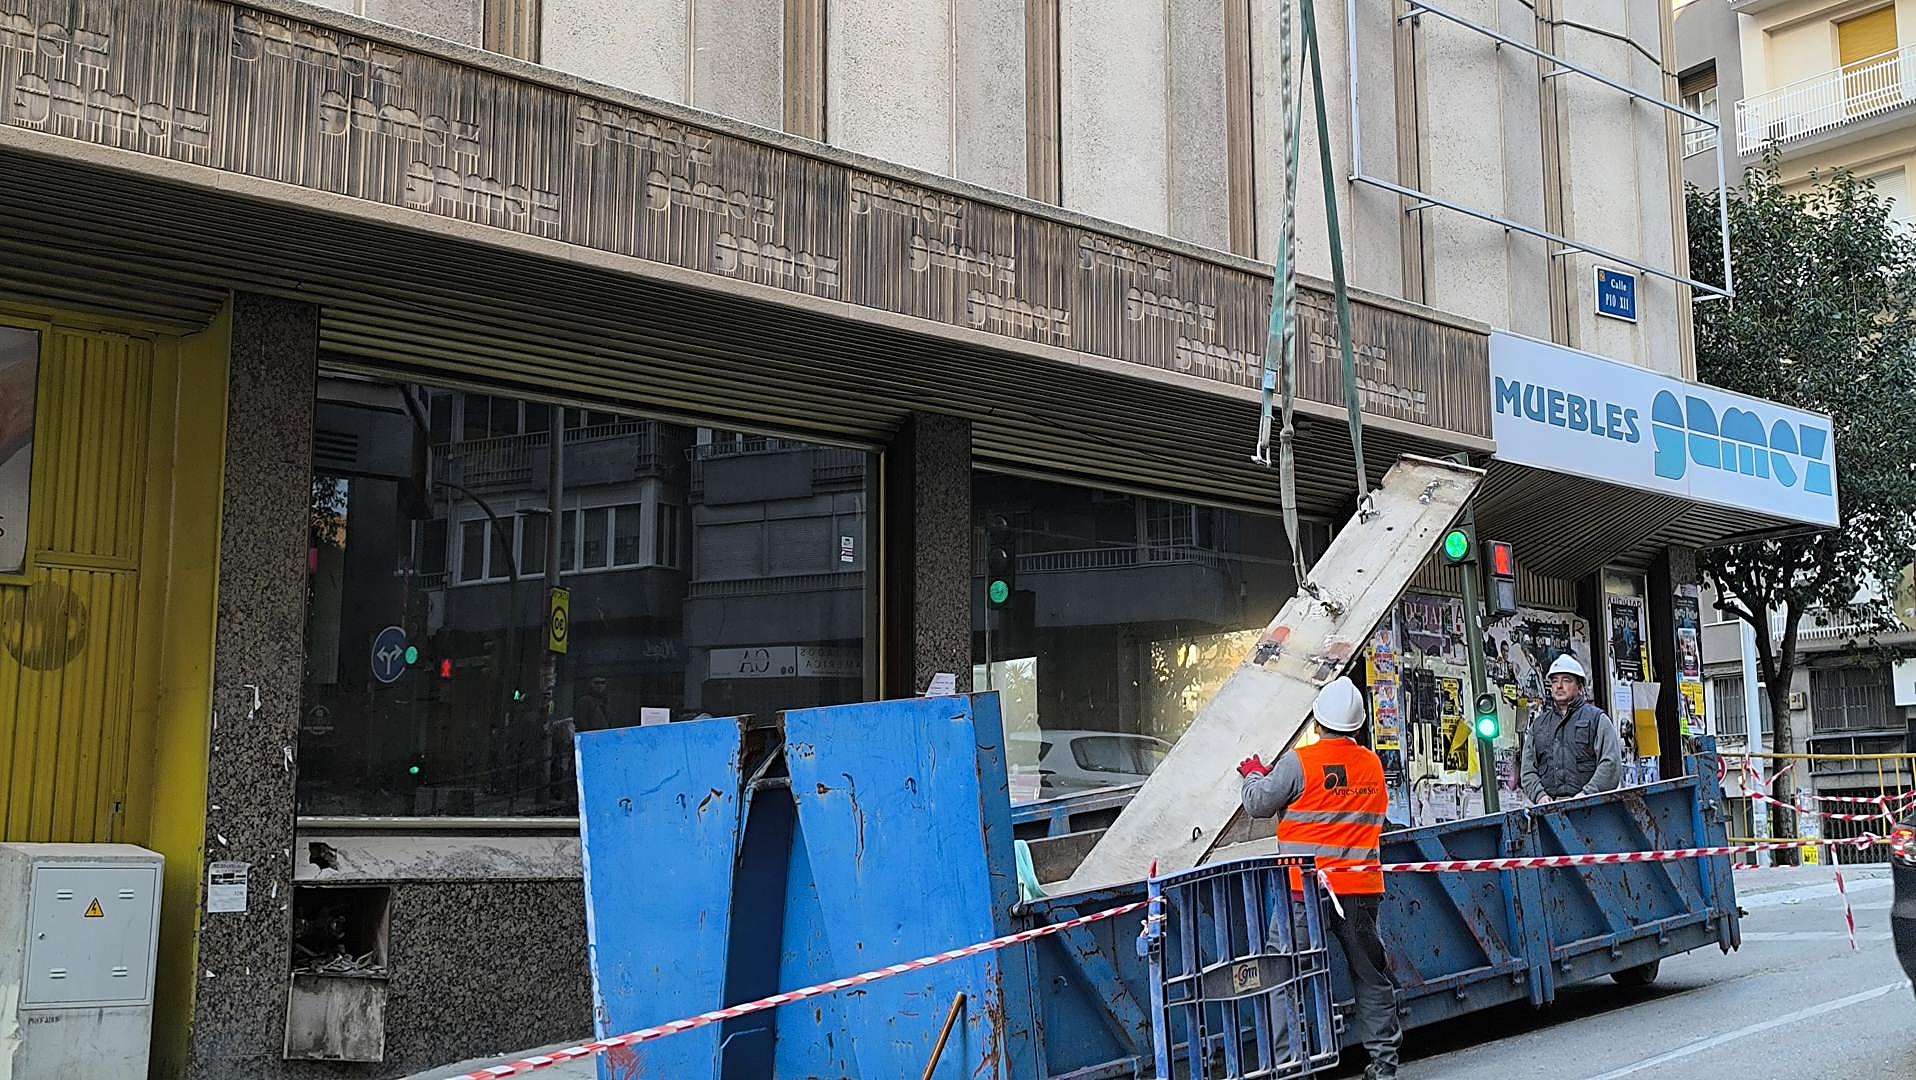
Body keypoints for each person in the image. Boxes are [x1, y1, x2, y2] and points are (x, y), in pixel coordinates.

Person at [1238, 677, 1402, 1080]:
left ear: (1316, 721)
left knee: (1284, 977)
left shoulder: (1300, 762)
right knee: (1370, 978)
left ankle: (1295, 1067)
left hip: (1304, 894)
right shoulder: (1372, 763)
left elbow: (1258, 803)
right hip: (1360, 892)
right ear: (1360, 727)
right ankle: (1384, 1067)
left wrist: (1254, 774)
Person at [1519, 654, 1623, 804]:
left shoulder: (1597, 719)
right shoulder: (1539, 725)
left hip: (1592, 810)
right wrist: (1540, 796)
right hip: (1550, 814)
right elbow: (1528, 770)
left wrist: (1587, 794)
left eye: (1566, 680)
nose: (1559, 686)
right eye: (1555, 681)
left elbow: (1611, 764)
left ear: (1579, 687)